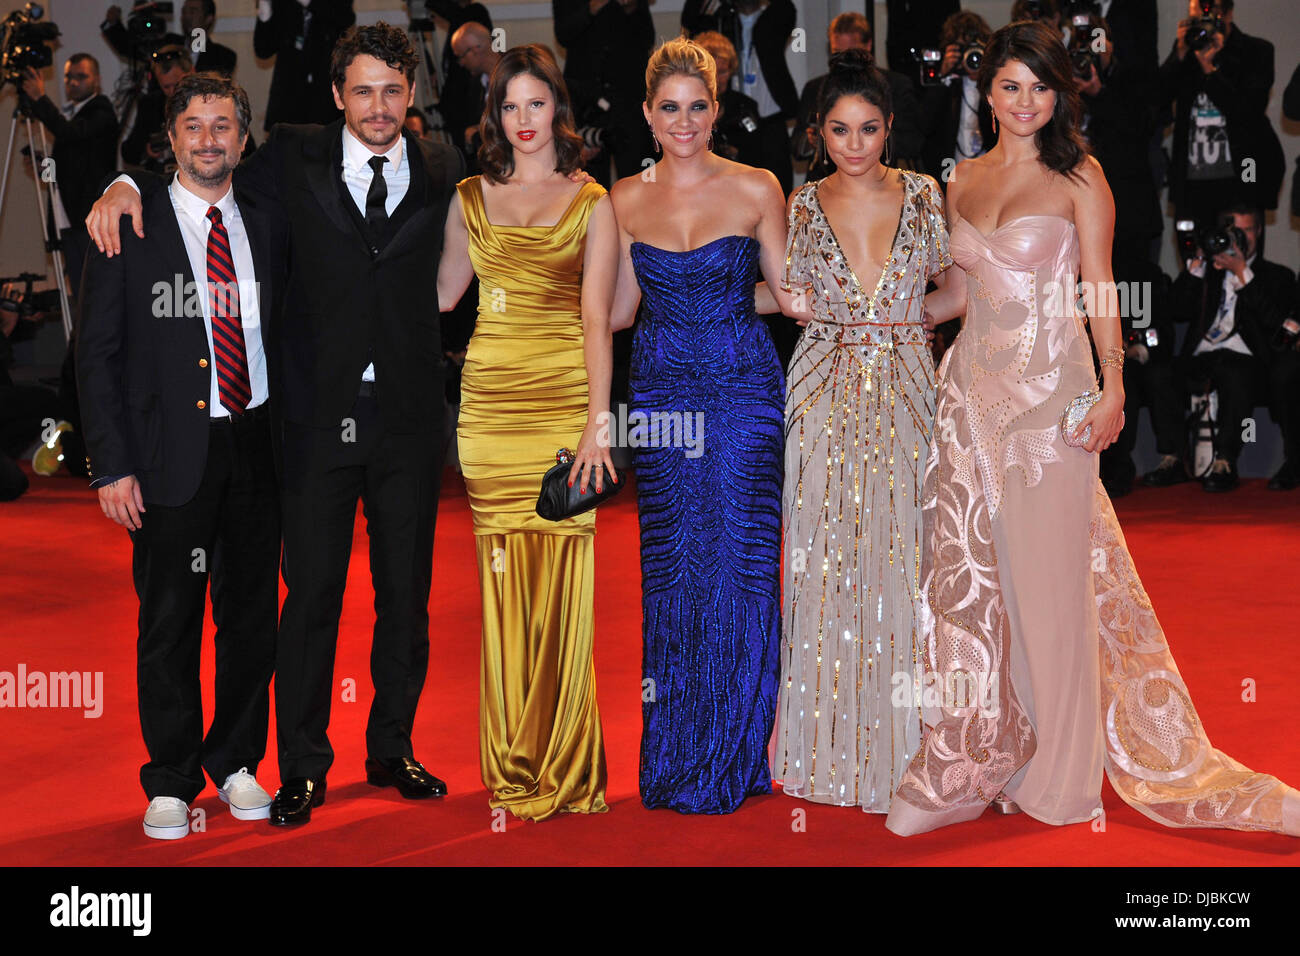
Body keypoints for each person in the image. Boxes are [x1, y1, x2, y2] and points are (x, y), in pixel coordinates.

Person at [885, 21, 1300, 837]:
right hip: (970, 398)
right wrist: (874, 318)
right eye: (1010, 86)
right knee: (988, 587)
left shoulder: (1081, 176)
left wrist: (1114, 386)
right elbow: (958, 297)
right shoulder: (957, 179)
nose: (1026, 102)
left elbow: (1101, 286)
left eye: (1040, 86)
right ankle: (998, 746)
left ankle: (1062, 776)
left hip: (1053, 399)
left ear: (1059, 93)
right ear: (989, 92)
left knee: (1052, 589)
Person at [87, 22, 467, 827]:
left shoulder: (440, 166)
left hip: (400, 420)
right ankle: (296, 763)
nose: (377, 105)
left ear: (411, 99)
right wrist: (123, 183)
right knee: (307, 598)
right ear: (336, 96)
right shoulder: (290, 160)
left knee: (403, 595)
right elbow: (194, 174)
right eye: (361, 89)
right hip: (310, 423)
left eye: (393, 90)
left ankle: (391, 746)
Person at [77, 74, 286, 840]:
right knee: (169, 620)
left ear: (243, 135)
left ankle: (234, 760)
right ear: (169, 139)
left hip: (257, 446)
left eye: (223, 125)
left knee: (250, 619)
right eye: (193, 126)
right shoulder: (128, 224)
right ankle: (169, 776)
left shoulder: (267, 215)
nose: (208, 140)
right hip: (168, 456)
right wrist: (110, 464)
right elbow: (95, 355)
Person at [608, 37, 796, 814]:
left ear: (716, 109)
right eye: (668, 109)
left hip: (745, 393)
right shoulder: (620, 200)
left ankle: (737, 750)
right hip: (659, 401)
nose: (684, 122)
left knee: (742, 570)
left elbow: (787, 296)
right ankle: (680, 750)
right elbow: (618, 311)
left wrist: (877, 294)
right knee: (676, 572)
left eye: (697, 107)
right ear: (648, 115)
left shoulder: (757, 186)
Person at [437, 45, 616, 821]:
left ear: (558, 110)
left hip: (564, 408)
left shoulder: (592, 200)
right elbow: (443, 294)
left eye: (536, 104)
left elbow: (597, 322)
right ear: (494, 117)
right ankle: (513, 765)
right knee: (504, 590)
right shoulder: (470, 197)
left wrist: (597, 428)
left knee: (565, 594)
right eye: (509, 107)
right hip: (488, 415)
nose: (523, 120)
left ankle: (568, 768)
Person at [773, 50, 954, 813]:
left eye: (869, 128)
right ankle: (829, 750)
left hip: (911, 388)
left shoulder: (925, 194)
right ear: (819, 133)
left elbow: (959, 288)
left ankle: (910, 749)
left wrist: (909, 324)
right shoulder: (800, 204)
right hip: (824, 390)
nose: (854, 143)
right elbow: (782, 293)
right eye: (840, 130)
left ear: (889, 128)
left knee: (909, 562)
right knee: (827, 568)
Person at [1166, 204, 1295, 492]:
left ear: (1259, 232)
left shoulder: (1277, 276)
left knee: (1235, 371)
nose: (1239, 237)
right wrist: (1196, 268)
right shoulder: (1207, 272)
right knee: (1163, 371)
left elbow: (1276, 325)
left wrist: (1242, 273)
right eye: (1232, 230)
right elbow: (1175, 310)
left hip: (1245, 360)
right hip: (1203, 355)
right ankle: (1172, 459)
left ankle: (1224, 461)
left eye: (1246, 229)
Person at [1158, 0, 1285, 226]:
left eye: (1211, 13)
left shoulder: (1257, 51)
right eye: (1197, 14)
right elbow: (1156, 103)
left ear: (1228, 14)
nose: (1203, 22)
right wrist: (1178, 54)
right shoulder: (1187, 52)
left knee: (1240, 256)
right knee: (1193, 259)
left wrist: (1210, 69)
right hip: (1192, 185)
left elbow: (1249, 113)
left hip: (1243, 179)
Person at [19, 54, 119, 297]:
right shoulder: (76, 114)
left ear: (97, 80)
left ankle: (92, 334)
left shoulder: (102, 111)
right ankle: (81, 334)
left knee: (97, 289)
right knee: (80, 287)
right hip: (69, 216)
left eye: (81, 76)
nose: (73, 82)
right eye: (68, 77)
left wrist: (40, 99)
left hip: (91, 217)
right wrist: (47, 168)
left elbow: (71, 134)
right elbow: (73, 164)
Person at [682, 0, 798, 195]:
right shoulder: (720, 18)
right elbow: (690, 19)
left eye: (724, 72)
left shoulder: (775, 17)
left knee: (776, 192)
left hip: (770, 119)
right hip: (728, 117)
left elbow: (786, 6)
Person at [792, 12, 924, 180]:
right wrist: (812, 140)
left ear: (868, 45)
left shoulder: (896, 84)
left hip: (880, 182)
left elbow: (913, 143)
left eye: (869, 129)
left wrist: (876, 138)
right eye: (837, 53)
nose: (854, 144)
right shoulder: (815, 87)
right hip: (822, 182)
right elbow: (796, 147)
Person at [554, 0, 655, 187]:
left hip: (627, 96)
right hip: (585, 97)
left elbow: (647, 38)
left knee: (638, 174)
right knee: (588, 179)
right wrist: (593, 6)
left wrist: (631, 7)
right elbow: (563, 34)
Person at [917, 10, 995, 184]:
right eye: (962, 49)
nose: (971, 56)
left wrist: (984, 78)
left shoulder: (994, 86)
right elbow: (924, 125)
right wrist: (944, 76)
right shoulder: (945, 84)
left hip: (989, 170)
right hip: (950, 169)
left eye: (974, 49)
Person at [254, 0, 356, 131]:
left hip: (325, 96)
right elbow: (263, 50)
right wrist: (265, 7)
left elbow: (345, 18)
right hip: (287, 98)